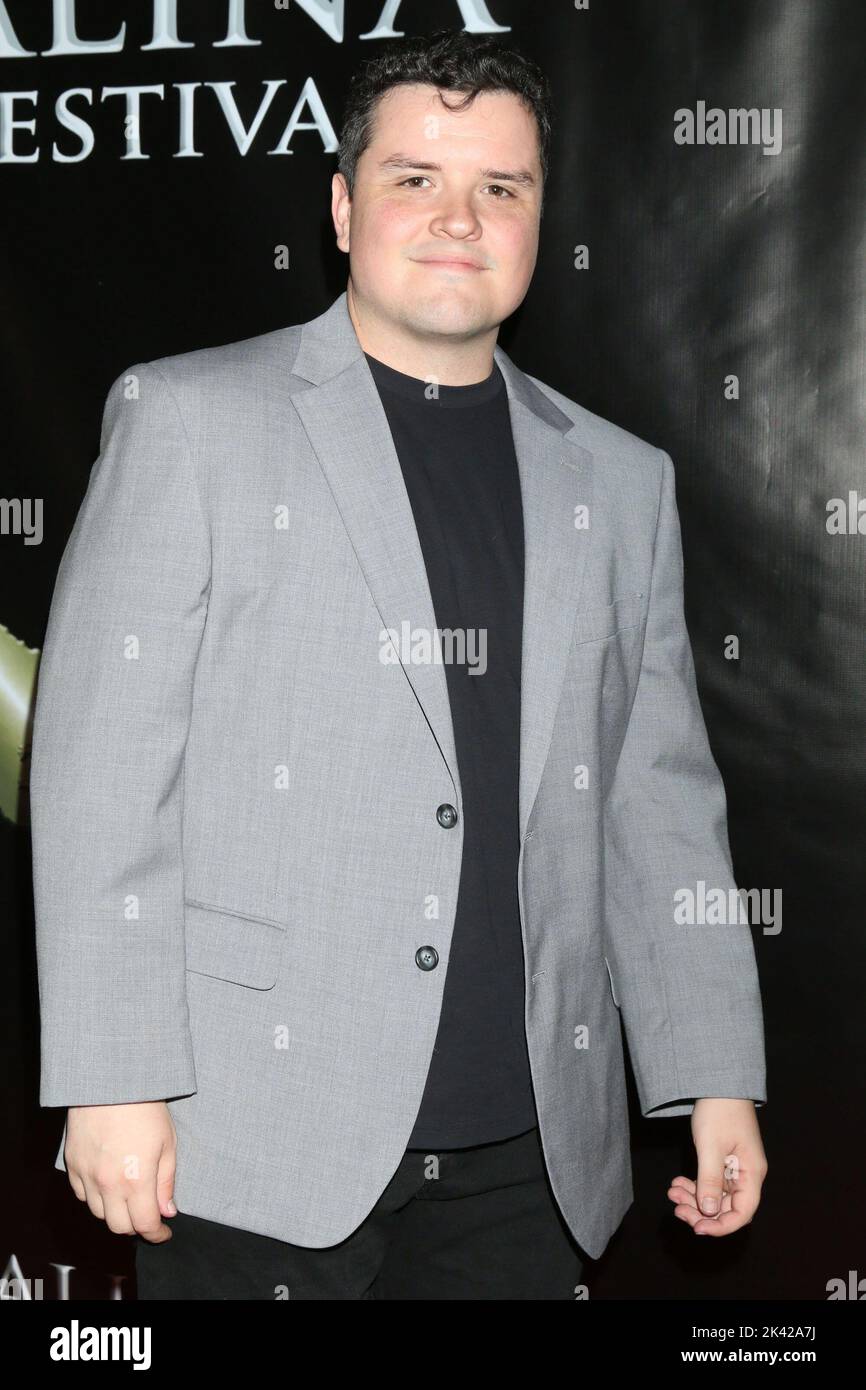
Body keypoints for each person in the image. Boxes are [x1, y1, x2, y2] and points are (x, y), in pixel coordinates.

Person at [30, 29, 767, 1301]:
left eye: (501, 187)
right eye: (413, 177)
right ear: (339, 205)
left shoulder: (622, 482)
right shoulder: (190, 418)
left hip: (530, 1151)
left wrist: (714, 1076)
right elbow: (101, 777)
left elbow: (660, 805)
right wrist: (111, 1075)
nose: (458, 218)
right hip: (252, 1126)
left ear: (539, 218)